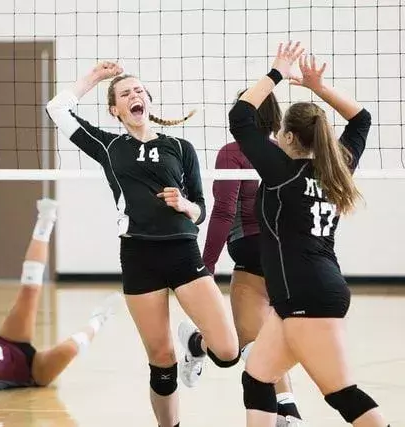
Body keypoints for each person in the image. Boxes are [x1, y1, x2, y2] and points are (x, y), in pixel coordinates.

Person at [46, 62, 239, 427]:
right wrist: (96, 78)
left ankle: (194, 345)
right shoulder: (107, 145)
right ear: (115, 110)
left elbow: (201, 209)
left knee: (228, 352)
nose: (134, 95)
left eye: (139, 91)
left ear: (148, 100)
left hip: (183, 251)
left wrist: (185, 205)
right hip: (139, 255)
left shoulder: (181, 147)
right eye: (124, 94)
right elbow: (57, 108)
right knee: (161, 358)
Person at [230, 41, 390, 427]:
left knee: (341, 394)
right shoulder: (338, 167)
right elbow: (362, 120)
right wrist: (318, 88)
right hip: (304, 294)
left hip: (309, 296)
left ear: (286, 138)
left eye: (282, 131)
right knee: (257, 378)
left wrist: (277, 73)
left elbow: (240, 116)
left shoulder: (282, 172)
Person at [0, 198, 120, 399]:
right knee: (69, 349)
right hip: (33, 372)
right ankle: (99, 319)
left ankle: (46, 219)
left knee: (29, 291)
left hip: (11, 341)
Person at [202, 92, 304, 426]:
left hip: (250, 248)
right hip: (289, 255)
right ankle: (289, 410)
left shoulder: (233, 152)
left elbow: (223, 210)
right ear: (276, 119)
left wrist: (207, 267)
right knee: (268, 337)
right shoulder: (286, 153)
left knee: (249, 344)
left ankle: (196, 342)